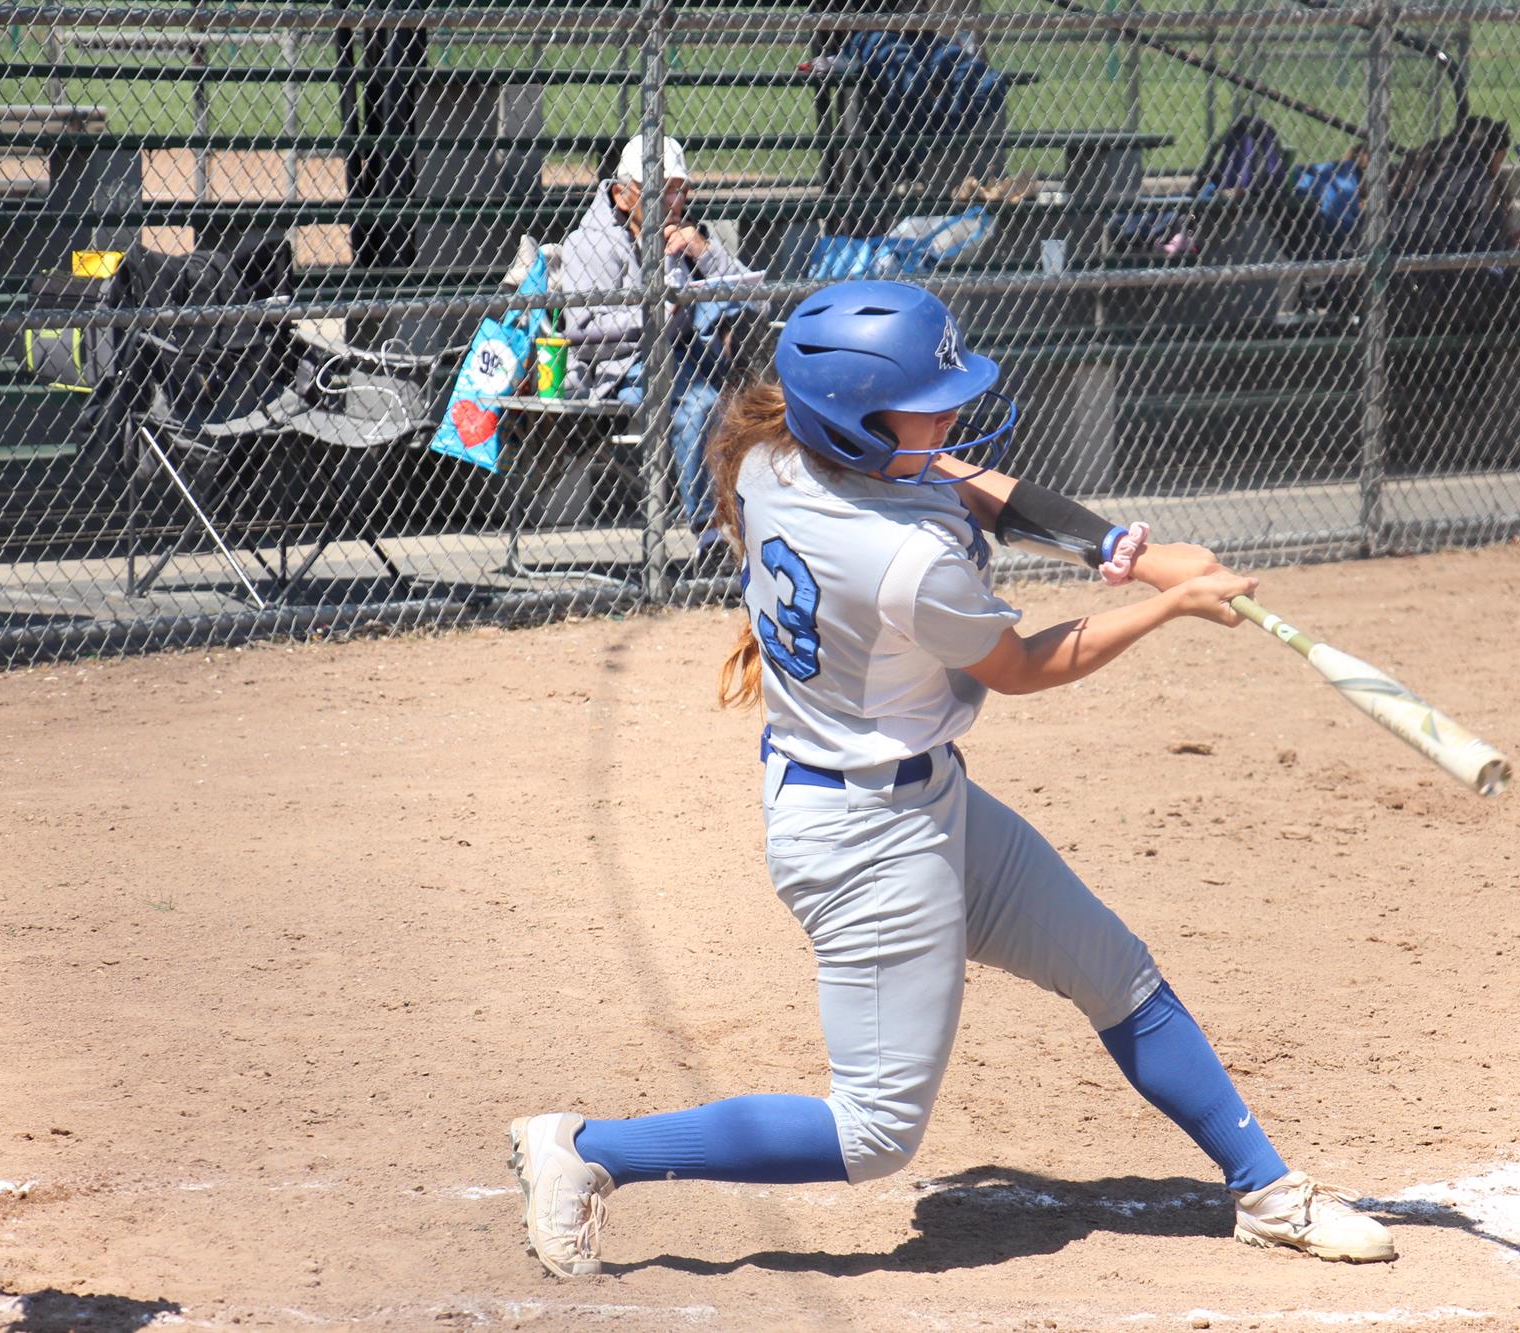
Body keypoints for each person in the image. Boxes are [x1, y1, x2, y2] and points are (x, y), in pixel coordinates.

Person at [507, 279, 1398, 1278]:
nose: (954, 409)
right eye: (928, 398)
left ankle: (1267, 1192)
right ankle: (586, 1151)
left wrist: (1115, 549)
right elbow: (1022, 668)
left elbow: (958, 476)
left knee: (1115, 972)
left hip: (911, 799)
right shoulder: (904, 559)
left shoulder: (772, 454)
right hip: (862, 844)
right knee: (873, 1135)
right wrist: (1170, 604)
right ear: (855, 421)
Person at [557, 135, 757, 567]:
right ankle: (710, 534)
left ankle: (748, 527)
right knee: (698, 402)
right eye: (663, 188)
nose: (676, 200)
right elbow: (584, 330)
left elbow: (756, 297)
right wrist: (658, 313)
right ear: (621, 194)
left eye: (680, 188)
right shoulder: (587, 244)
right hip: (619, 367)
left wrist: (703, 252)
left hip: (686, 359)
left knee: (739, 398)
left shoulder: (679, 238)